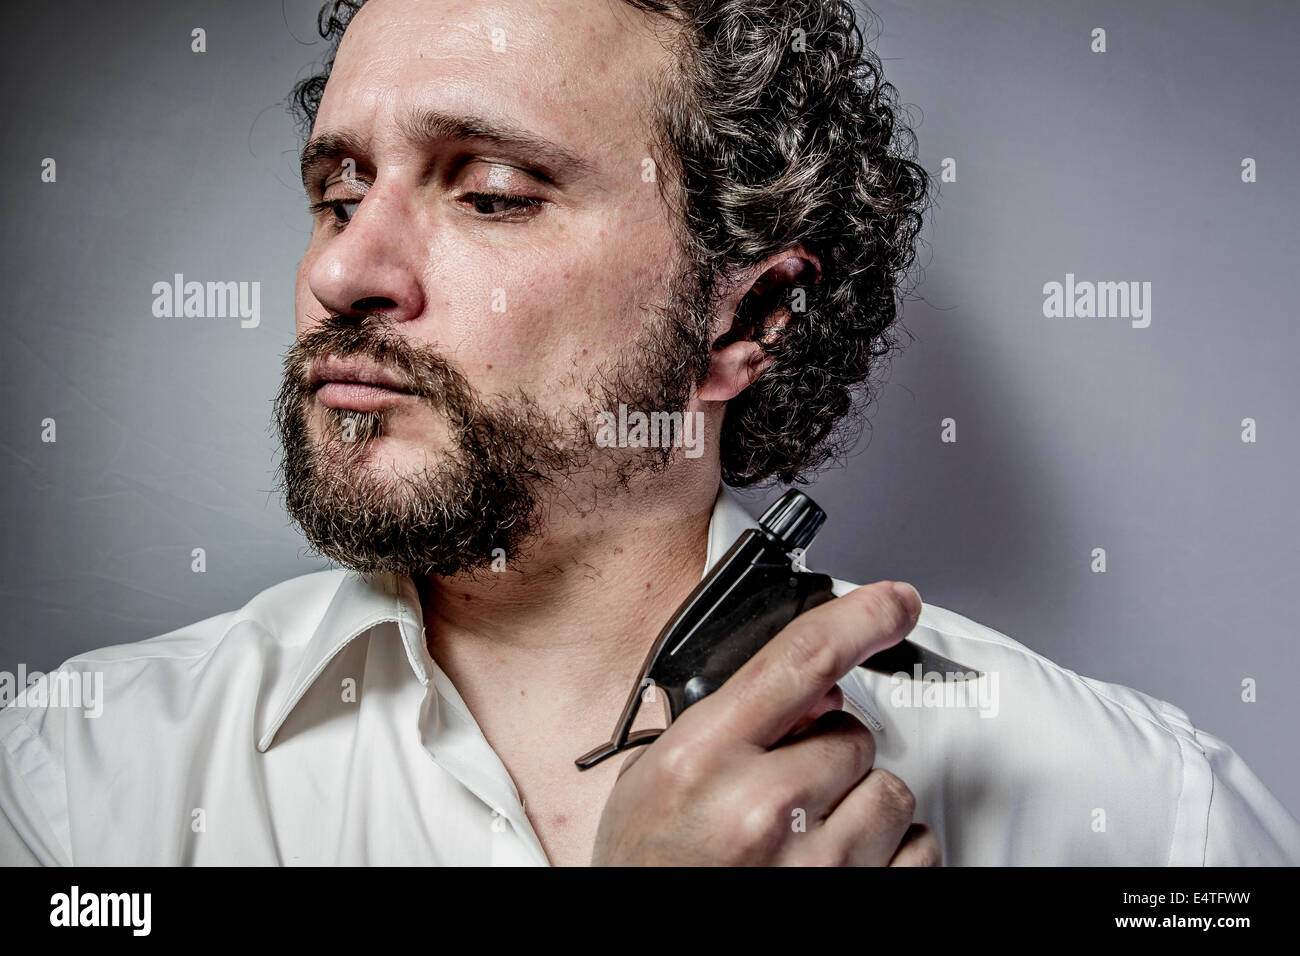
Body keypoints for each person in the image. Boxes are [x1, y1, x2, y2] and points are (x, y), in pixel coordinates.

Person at [2, 0, 1297, 866]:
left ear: (753, 316)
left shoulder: (1139, 817)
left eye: (493, 192)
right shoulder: (77, 780)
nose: (347, 271)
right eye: (339, 192)